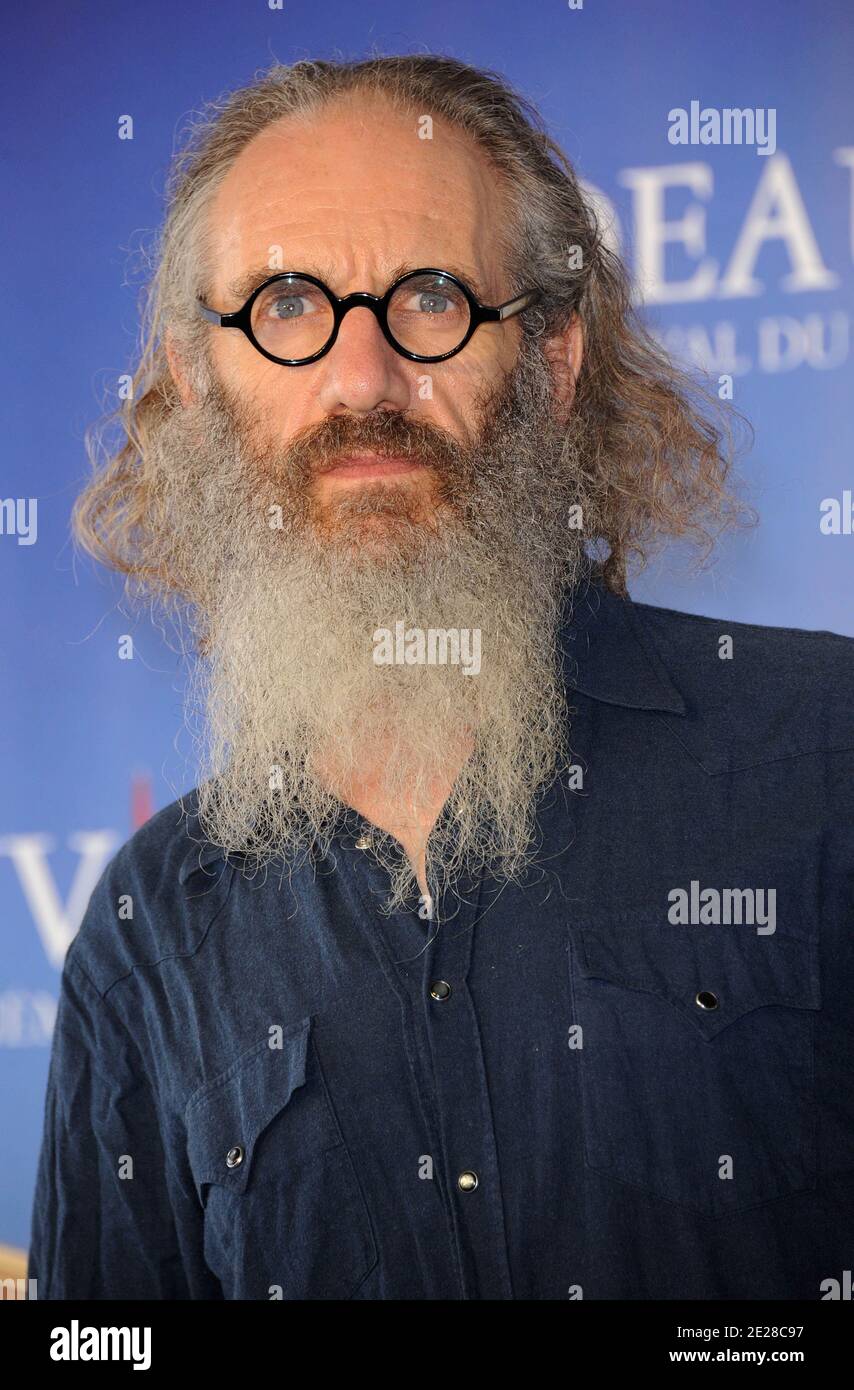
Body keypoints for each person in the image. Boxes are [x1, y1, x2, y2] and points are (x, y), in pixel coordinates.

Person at [27, 54, 854, 1300]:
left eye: (428, 297)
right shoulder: (146, 939)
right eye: (287, 306)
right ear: (196, 385)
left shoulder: (827, 758)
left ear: (553, 359)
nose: (362, 383)